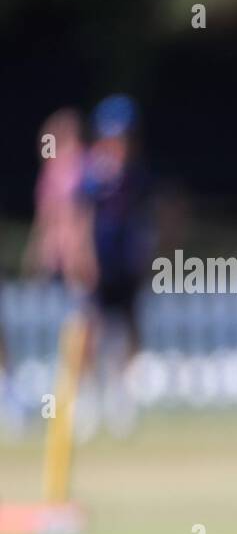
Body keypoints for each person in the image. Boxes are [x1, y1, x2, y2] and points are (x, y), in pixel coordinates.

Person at [7, 109, 95, 434]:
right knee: (56, 329)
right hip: (55, 261)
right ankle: (46, 397)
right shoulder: (51, 171)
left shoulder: (84, 168)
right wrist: (37, 252)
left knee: (83, 325)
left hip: (77, 263)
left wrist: (82, 254)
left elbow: (81, 217)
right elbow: (46, 218)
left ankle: (83, 396)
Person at [78, 93, 155, 440]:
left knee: (127, 330)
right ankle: (88, 401)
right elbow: (80, 218)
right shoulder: (94, 176)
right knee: (90, 331)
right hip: (99, 265)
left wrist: (146, 255)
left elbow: (147, 219)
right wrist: (84, 257)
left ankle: (122, 400)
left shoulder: (137, 176)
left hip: (127, 266)